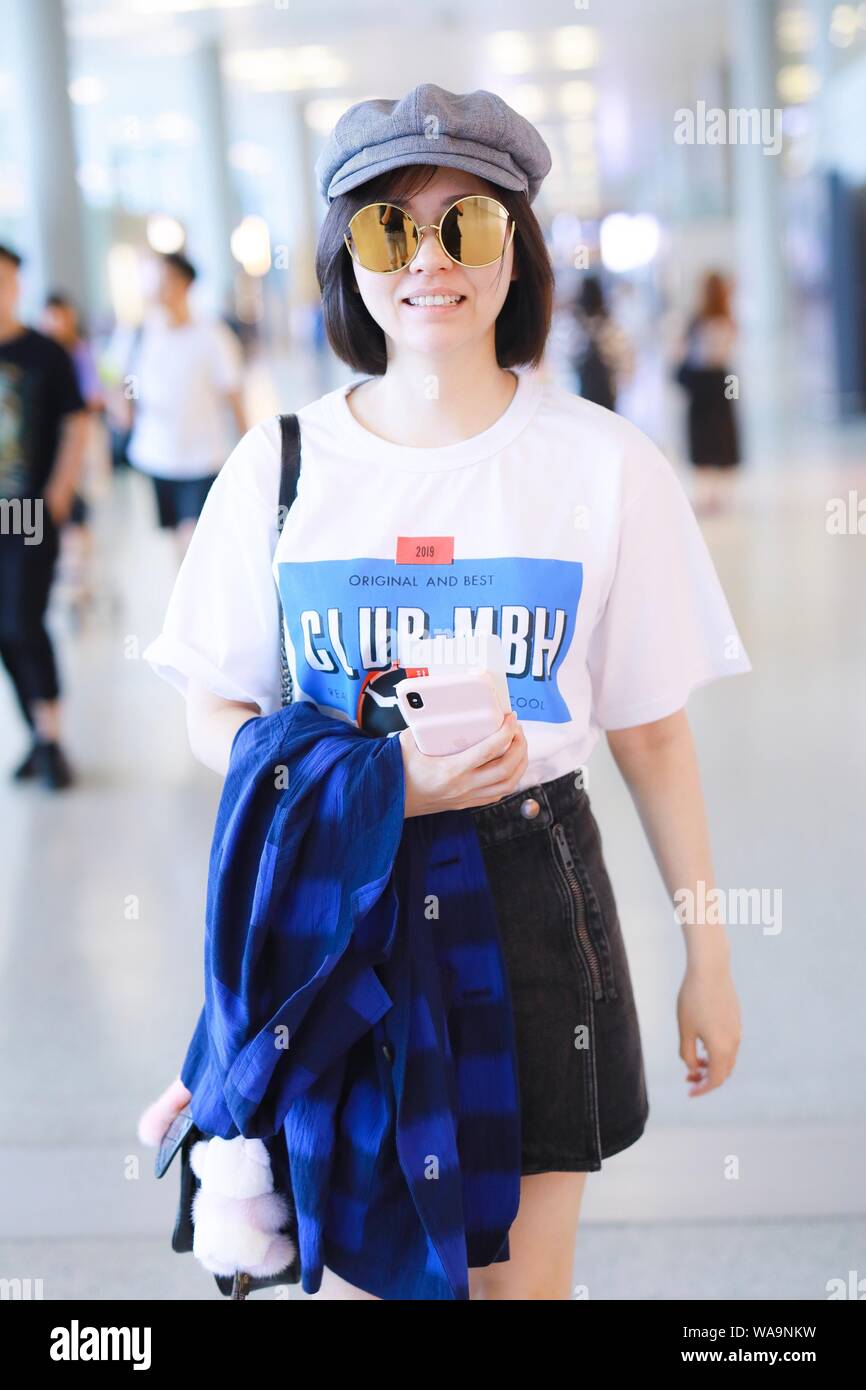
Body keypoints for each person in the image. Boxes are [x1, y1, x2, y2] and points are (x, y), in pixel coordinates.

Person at [141, 84, 751, 1300]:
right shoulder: (279, 465)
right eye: (386, 228)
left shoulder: (601, 463)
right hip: (337, 903)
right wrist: (378, 786)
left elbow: (650, 733)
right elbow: (213, 713)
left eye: (465, 223)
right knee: (369, 1276)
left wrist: (708, 950)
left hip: (532, 894)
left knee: (523, 1284)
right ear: (346, 259)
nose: (427, 260)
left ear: (513, 247)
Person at [0, 244, 89, 789]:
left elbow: (76, 423)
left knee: (23, 619)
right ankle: (35, 735)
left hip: (27, 511)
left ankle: (52, 739)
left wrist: (58, 492)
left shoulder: (44, 353)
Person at [107, 251, 247, 562]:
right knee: (175, 538)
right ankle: (188, 600)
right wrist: (125, 408)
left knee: (194, 537)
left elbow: (234, 394)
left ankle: (197, 598)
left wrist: (248, 444)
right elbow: (118, 381)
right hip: (156, 455)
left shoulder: (213, 334)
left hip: (203, 456)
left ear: (185, 284)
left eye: (165, 278)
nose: (157, 287)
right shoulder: (136, 333)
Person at [41, 291, 110, 618]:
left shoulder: (79, 353)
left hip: (83, 448)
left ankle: (79, 582)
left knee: (77, 510)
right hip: (49, 452)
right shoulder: (43, 355)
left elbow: (94, 397)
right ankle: (70, 581)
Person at [675, 270, 741, 515]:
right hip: (721, 382)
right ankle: (719, 494)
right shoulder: (727, 319)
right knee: (721, 433)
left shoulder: (697, 320)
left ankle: (707, 494)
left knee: (702, 435)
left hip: (701, 384)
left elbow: (683, 351)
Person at [571, 273, 634, 412]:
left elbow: (569, 357)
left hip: (584, 390)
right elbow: (621, 355)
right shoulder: (609, 325)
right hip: (607, 391)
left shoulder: (577, 326)